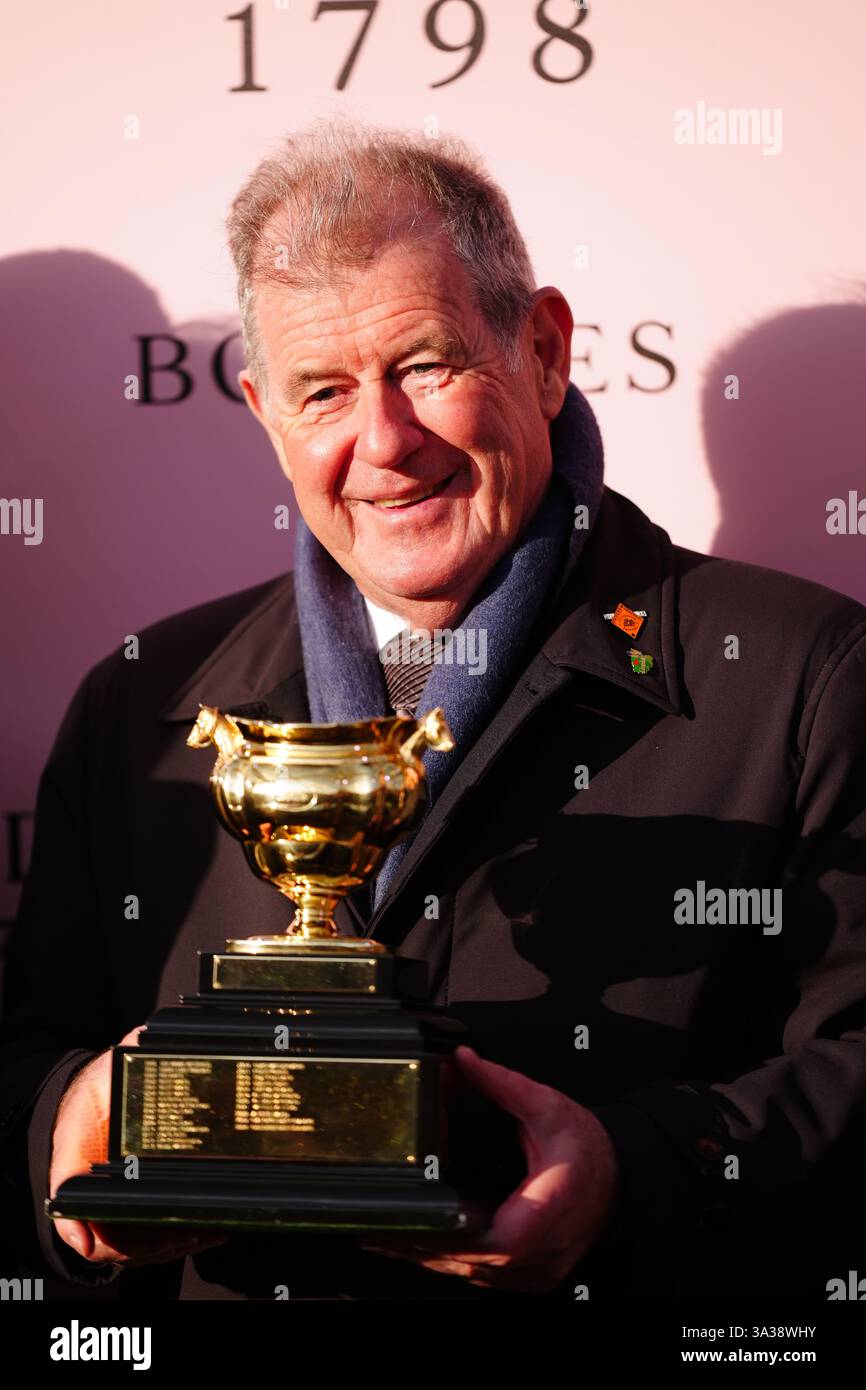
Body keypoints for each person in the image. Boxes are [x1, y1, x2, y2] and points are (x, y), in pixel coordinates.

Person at [2, 116, 865, 1302]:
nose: (384, 442)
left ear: (546, 351)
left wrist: (633, 1178)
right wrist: (66, 1119)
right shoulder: (142, 701)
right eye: (323, 390)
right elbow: (26, 1049)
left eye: (424, 364)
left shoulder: (806, 672)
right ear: (264, 412)